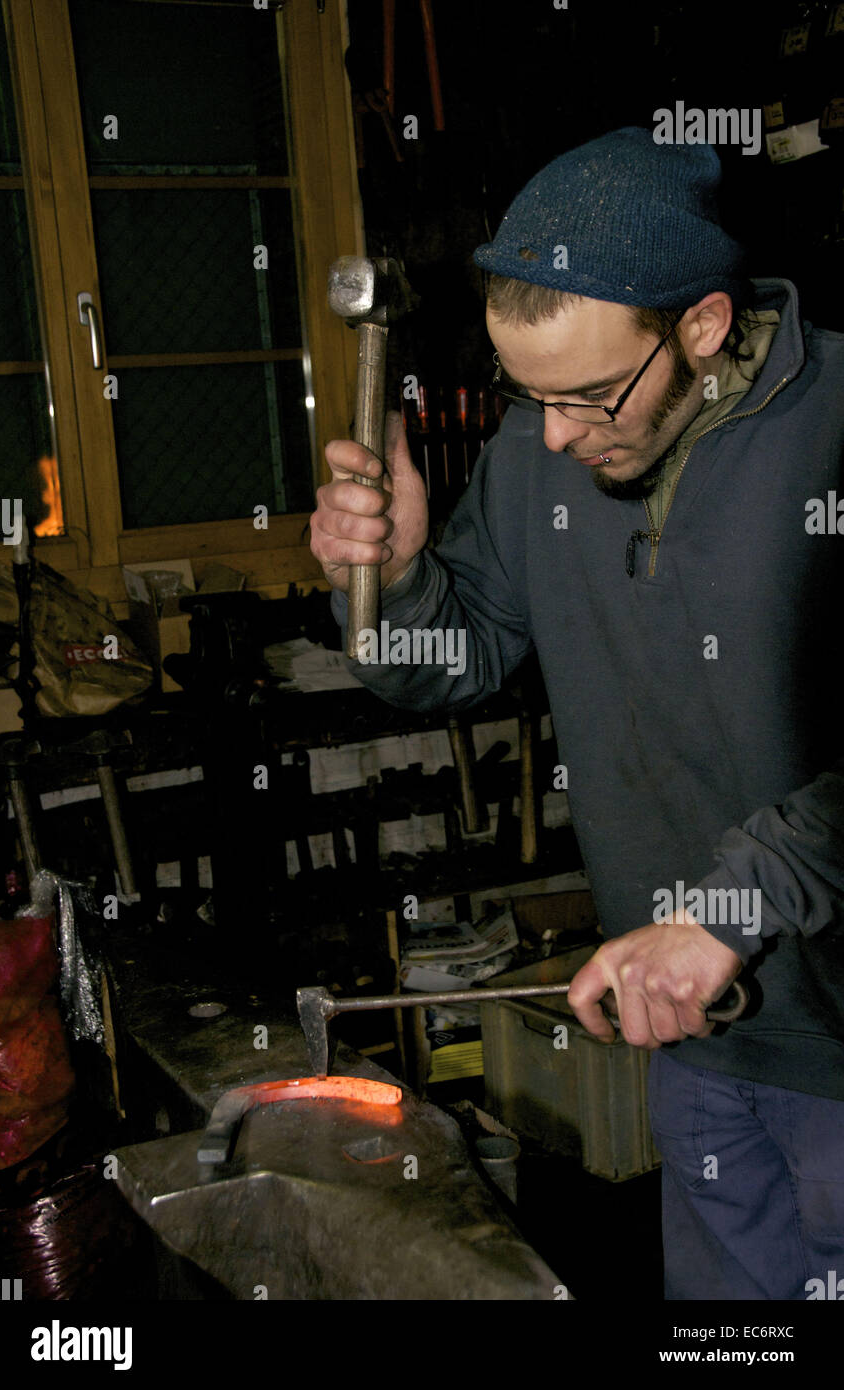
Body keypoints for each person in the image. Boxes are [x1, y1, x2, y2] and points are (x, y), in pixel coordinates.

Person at [309, 126, 844, 1301]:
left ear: (698, 326)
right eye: (526, 393)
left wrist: (731, 903)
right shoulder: (537, 451)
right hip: (690, 1032)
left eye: (588, 395)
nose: (553, 435)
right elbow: (452, 661)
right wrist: (395, 583)